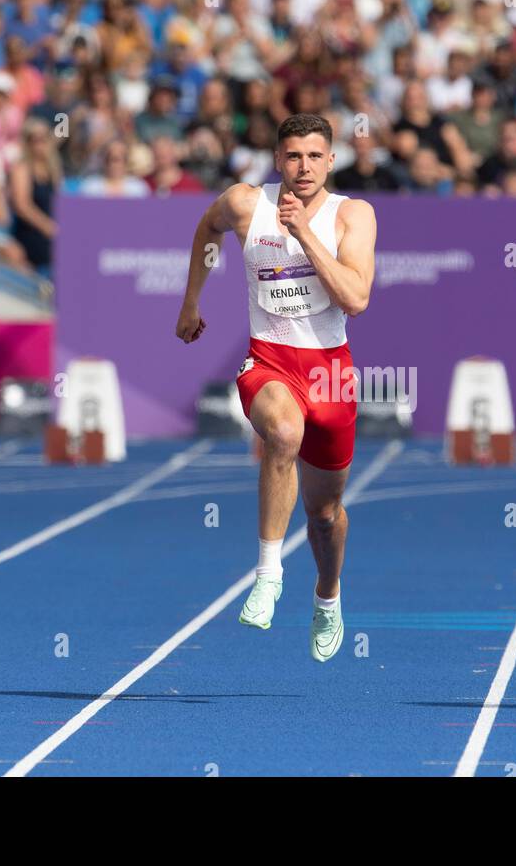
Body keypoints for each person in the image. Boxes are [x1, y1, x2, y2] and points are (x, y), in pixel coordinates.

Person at [174, 114, 376, 662]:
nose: (303, 166)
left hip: (330, 373)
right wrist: (192, 299)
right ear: (277, 159)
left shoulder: (351, 215)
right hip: (268, 359)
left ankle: (328, 596)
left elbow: (355, 299)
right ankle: (267, 573)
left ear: (331, 160)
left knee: (326, 515)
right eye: (293, 156)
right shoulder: (245, 203)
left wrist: (304, 234)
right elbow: (206, 229)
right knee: (282, 434)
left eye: (314, 156)